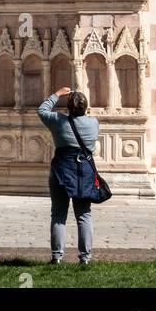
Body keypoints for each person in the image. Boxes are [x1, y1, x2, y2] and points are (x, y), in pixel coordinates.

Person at [37, 85, 100, 265]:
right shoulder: (93, 122)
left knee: (58, 214)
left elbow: (42, 109)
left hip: (61, 171)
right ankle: (85, 258)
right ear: (85, 107)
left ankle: (57, 256)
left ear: (68, 108)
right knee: (84, 214)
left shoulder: (58, 120)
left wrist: (57, 94)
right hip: (83, 172)